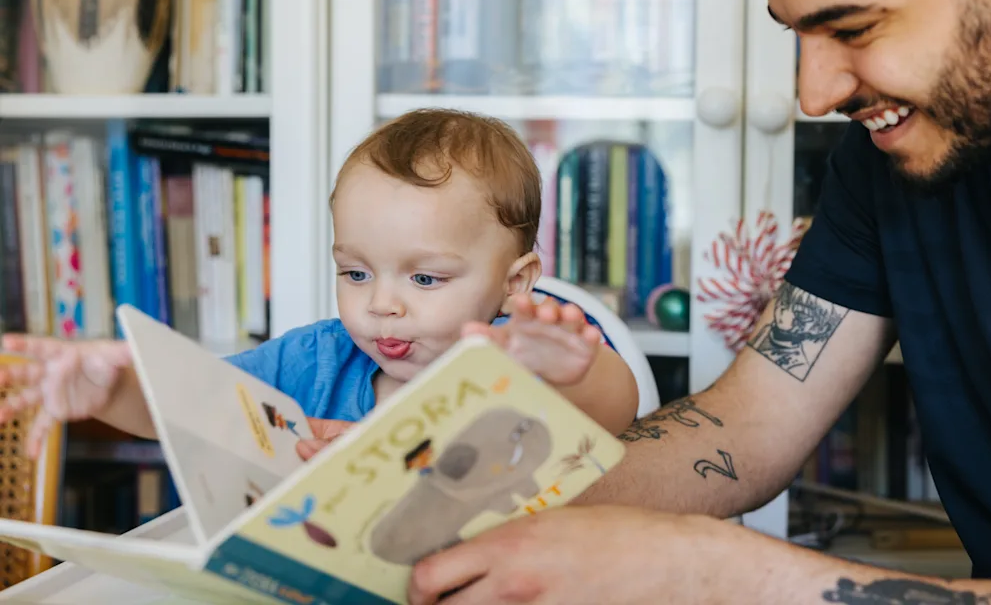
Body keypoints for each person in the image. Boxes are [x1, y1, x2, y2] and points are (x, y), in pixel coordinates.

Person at [404, 0, 991, 603]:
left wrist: (706, 569)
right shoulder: (886, 164)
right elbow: (747, 425)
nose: (813, 95)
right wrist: (481, 495)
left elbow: (717, 563)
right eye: (797, 36)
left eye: (852, 29)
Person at [0, 108, 639, 461]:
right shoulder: (314, 360)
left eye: (424, 277)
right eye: (355, 272)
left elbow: (618, 407)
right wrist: (114, 390)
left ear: (516, 282)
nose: (381, 304)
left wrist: (567, 374)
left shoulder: (516, 357)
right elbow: (195, 405)